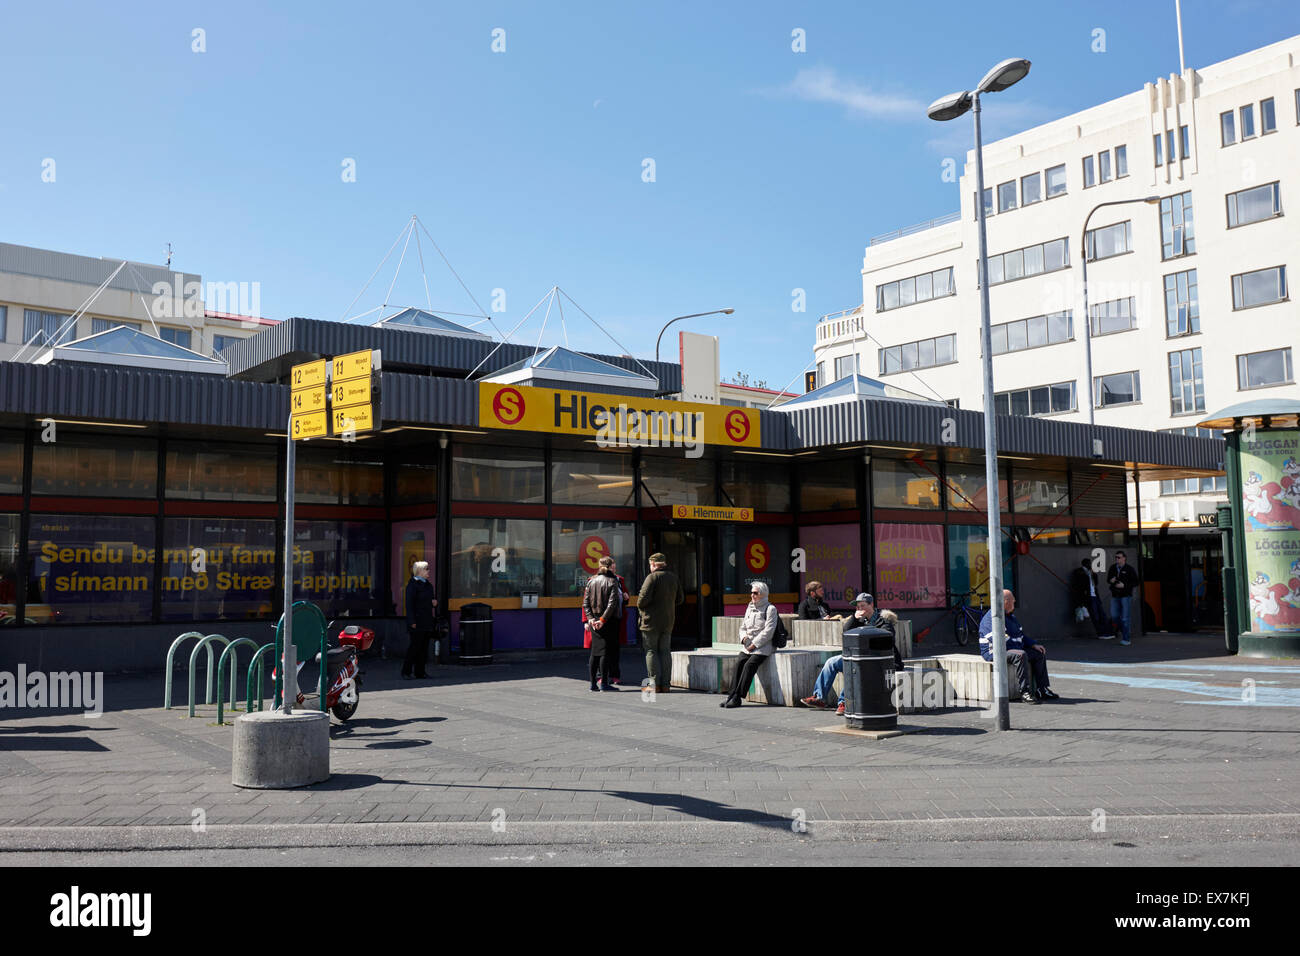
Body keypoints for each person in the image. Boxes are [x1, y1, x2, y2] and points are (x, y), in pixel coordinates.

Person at [800, 593, 901, 715]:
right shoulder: (859, 620)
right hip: (859, 658)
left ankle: (844, 702)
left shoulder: (883, 621)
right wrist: (854, 618)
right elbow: (846, 632)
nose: (859, 609)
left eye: (862, 606)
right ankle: (819, 697)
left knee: (855, 668)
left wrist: (867, 629)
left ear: (871, 605)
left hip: (881, 663)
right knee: (832, 662)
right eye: (857, 607)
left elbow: (887, 641)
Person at [978, 589, 1058, 703]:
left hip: (1011, 649)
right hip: (994, 652)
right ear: (1005, 602)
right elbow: (1002, 642)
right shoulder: (992, 618)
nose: (1014, 604)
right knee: (1020, 655)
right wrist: (1021, 647)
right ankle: (1025, 692)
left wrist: (1033, 644)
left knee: (1039, 653)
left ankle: (1042, 689)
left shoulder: (1011, 617)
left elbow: (1021, 635)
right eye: (1013, 602)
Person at [720, 581, 779, 708]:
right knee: (739, 663)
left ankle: (738, 697)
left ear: (763, 594)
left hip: (763, 647)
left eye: (755, 593)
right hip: (748, 646)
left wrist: (754, 644)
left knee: (749, 665)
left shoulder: (771, 609)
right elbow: (742, 627)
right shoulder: (750, 607)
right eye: (751, 592)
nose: (752, 595)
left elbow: (768, 632)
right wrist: (744, 639)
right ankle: (731, 695)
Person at [637, 552, 684, 693]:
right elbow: (680, 599)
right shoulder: (673, 578)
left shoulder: (651, 578)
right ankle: (666, 685)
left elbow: (641, 601)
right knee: (665, 651)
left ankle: (653, 685)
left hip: (650, 621)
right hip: (668, 621)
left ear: (653, 564)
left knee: (651, 651)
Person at [582, 555, 622, 692]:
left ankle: (593, 684)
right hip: (608, 621)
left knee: (595, 652)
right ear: (611, 566)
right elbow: (612, 604)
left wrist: (591, 619)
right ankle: (604, 683)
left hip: (595, 621)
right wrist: (603, 620)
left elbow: (585, 603)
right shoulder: (612, 581)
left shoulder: (591, 581)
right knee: (605, 652)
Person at [402, 560, 438, 679]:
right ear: (419, 571)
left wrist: (433, 603)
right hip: (416, 621)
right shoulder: (412, 585)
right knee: (414, 647)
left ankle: (420, 672)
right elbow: (409, 604)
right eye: (426, 569)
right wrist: (411, 621)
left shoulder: (428, 585)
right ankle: (406, 671)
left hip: (427, 620)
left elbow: (429, 600)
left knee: (424, 647)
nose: (429, 571)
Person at [1069, 559, 1112, 639]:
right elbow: (1078, 583)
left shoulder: (1091, 572)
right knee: (1095, 615)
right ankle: (1101, 633)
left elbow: (1096, 583)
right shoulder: (1079, 571)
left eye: (1090, 563)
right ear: (1084, 564)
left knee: (1102, 614)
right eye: (1088, 563)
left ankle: (1108, 632)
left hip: (1095, 595)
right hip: (1088, 596)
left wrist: (1093, 574)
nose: (1089, 564)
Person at [1107, 550, 1139, 646]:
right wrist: (1111, 580)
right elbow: (1108, 579)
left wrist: (1124, 585)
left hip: (1125, 596)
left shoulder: (1129, 569)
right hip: (1115, 596)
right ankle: (1125, 631)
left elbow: (1136, 582)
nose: (1117, 559)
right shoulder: (1112, 568)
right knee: (1114, 616)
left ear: (1124, 558)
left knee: (1125, 618)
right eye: (1116, 557)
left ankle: (1126, 639)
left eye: (1119, 557)